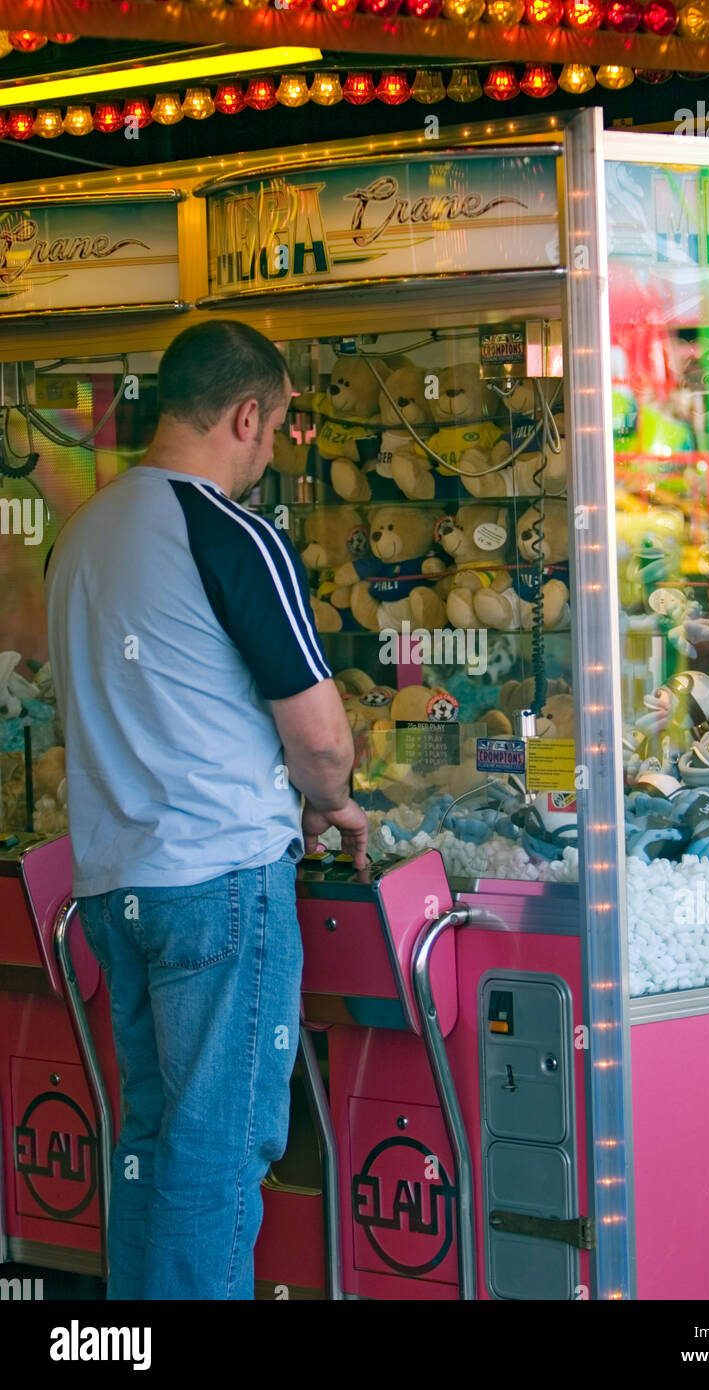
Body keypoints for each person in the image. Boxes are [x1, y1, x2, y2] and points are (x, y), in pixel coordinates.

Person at [45, 320, 367, 1300]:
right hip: (219, 886)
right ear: (245, 414)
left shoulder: (83, 534)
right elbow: (317, 733)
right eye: (274, 428)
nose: (272, 451)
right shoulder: (229, 531)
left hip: (117, 891)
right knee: (219, 1153)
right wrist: (335, 803)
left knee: (153, 1140)